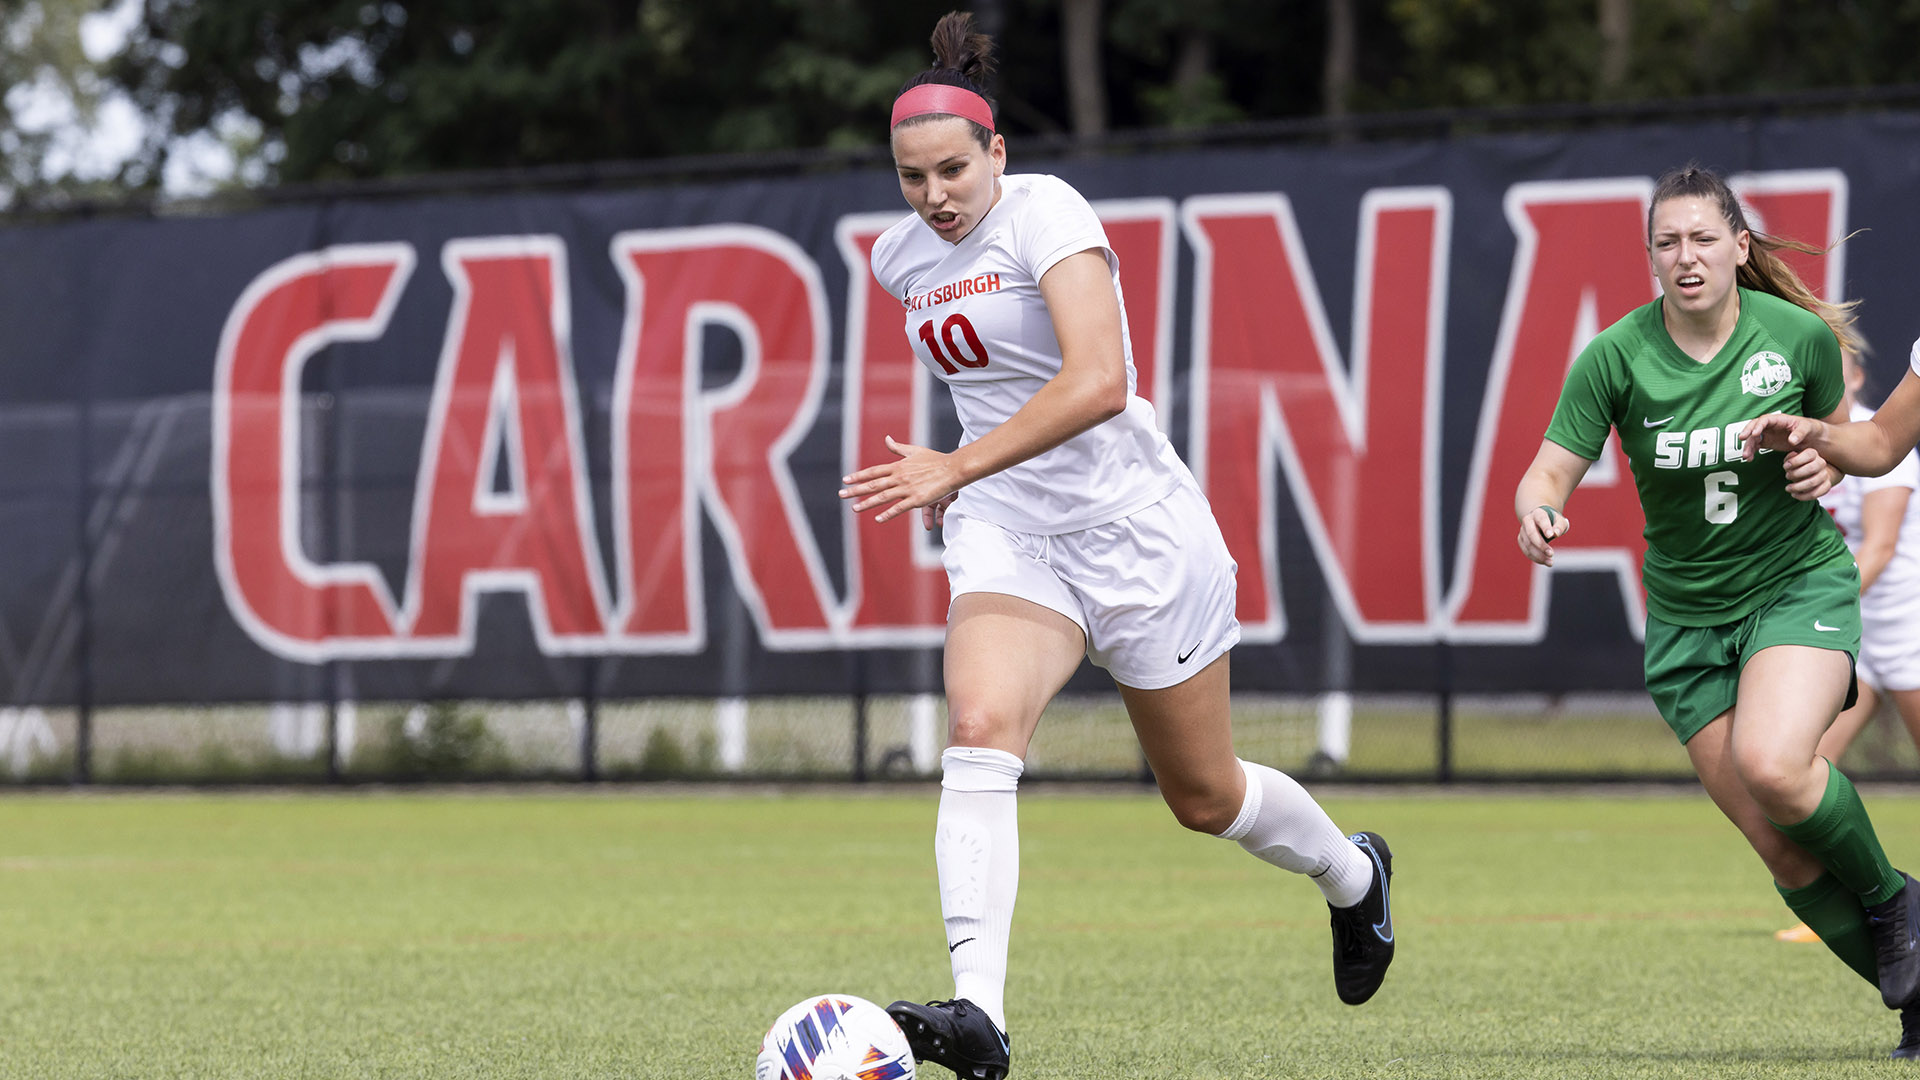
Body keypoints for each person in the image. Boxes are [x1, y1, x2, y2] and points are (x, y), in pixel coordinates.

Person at [839, 12, 1394, 1079]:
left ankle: (1353, 877)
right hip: (1011, 529)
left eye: (954, 169)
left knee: (1205, 797)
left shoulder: (1047, 210)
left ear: (997, 152)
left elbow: (1099, 382)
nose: (935, 195)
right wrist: (967, 480)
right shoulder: (897, 256)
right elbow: (987, 382)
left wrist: (956, 465)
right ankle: (979, 1015)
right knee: (980, 729)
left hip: (1138, 532)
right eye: (912, 177)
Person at [1513, 163, 1920, 1061]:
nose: (1685, 257)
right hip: (1686, 626)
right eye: (1667, 243)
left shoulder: (1796, 337)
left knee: (1774, 765)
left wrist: (1821, 455)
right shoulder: (1615, 356)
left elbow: (1849, 445)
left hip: (1793, 585)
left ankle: (1896, 903)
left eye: (1703, 238)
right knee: (1783, 850)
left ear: (1740, 247)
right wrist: (1537, 509)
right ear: (1651, 258)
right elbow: (1548, 469)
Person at [1776, 346, 1920, 944]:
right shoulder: (1798, 441)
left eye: (1837, 368)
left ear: (1858, 377)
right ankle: (1852, 904)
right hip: (1849, 629)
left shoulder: (1878, 442)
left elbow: (1879, 550)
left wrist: (1816, 609)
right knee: (1801, 767)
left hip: (1904, 624)